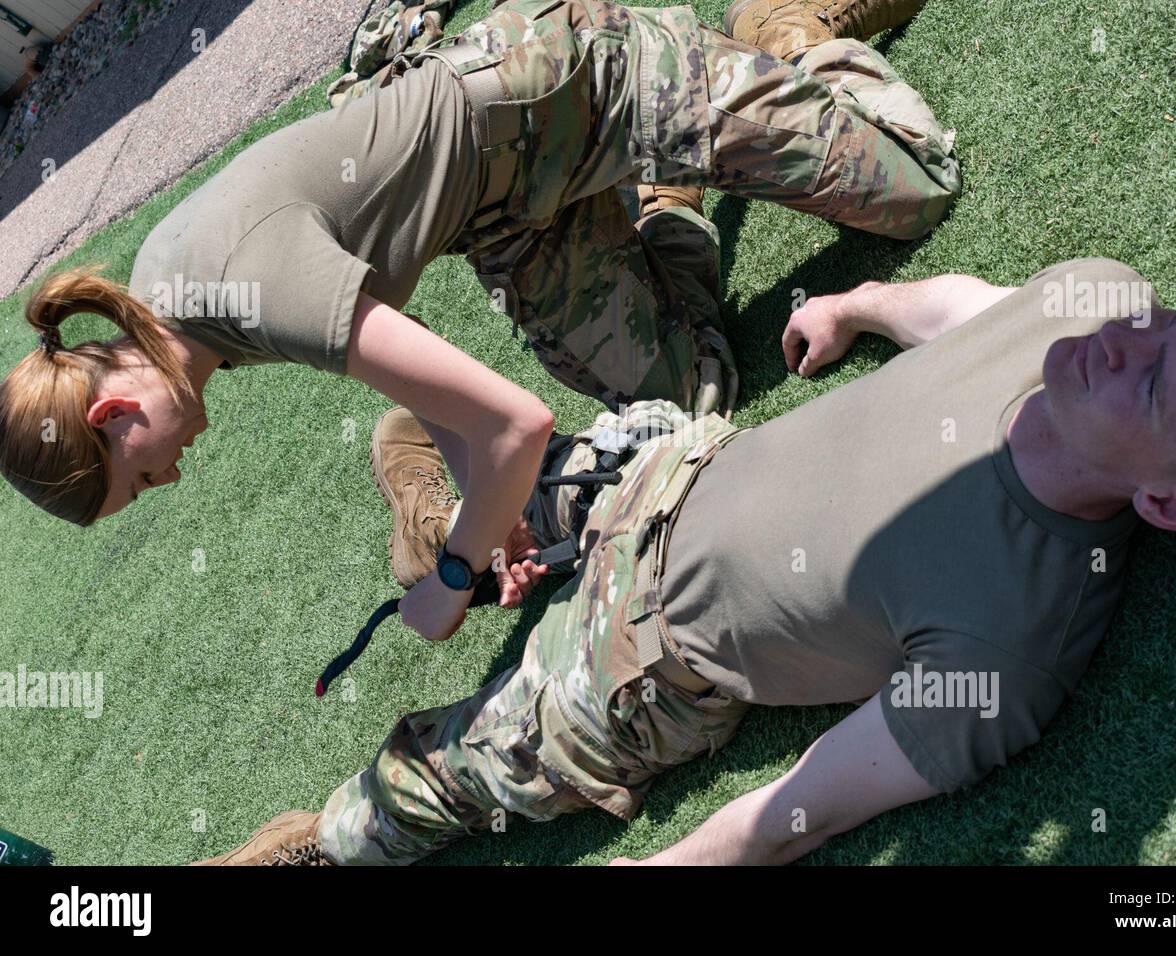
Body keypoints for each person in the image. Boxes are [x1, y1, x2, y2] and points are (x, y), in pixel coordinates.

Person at [194, 255, 1176, 864]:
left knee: (448, 770)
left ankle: (323, 847)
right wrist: (854, 304)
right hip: (676, 466)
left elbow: (801, 805)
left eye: (1153, 382)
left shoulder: (1014, 638)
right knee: (514, 455)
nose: (1125, 337)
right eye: (1173, 319)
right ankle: (459, 542)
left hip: (648, 655)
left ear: (1167, 501)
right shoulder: (1103, 297)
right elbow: (973, 312)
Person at [0, 0, 959, 640]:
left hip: (585, 84)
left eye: (138, 477)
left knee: (916, 190)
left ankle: (790, 34)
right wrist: (484, 521)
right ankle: (666, 196)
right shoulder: (178, 318)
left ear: (111, 416)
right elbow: (443, 402)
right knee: (691, 398)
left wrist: (453, 578)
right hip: (505, 212)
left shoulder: (238, 284)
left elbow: (516, 425)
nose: (165, 481)